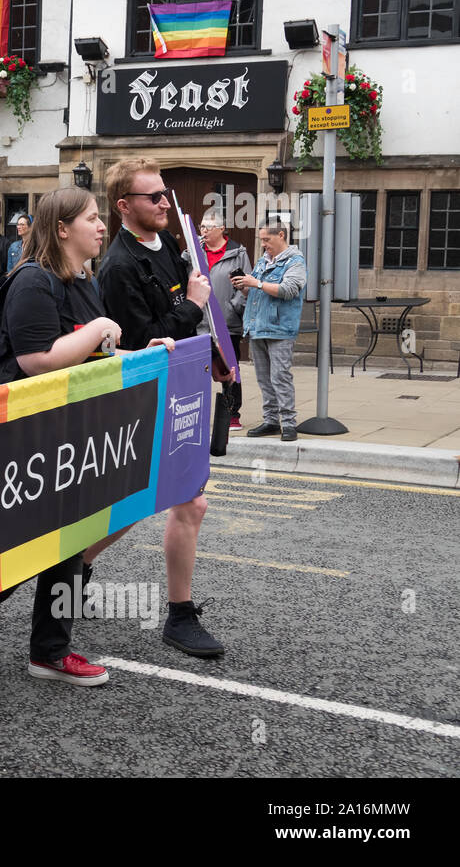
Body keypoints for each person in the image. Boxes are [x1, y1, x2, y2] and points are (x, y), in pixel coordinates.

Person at [0, 187, 176, 681]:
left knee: (71, 538)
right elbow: (36, 361)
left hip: (72, 428)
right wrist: (95, 332)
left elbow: (93, 357)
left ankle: (48, 652)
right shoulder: (33, 281)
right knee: (36, 541)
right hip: (27, 432)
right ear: (62, 228)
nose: (101, 227)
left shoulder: (82, 281)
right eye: (92, 219)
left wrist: (138, 353)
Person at [94, 156, 223, 658]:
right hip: (143, 396)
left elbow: (182, 324)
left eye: (165, 193)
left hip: (184, 385)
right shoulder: (118, 266)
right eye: (154, 196)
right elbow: (144, 342)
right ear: (124, 206)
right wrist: (192, 303)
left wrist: (215, 355)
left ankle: (180, 615)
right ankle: (65, 571)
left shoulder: (169, 243)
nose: (165, 202)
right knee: (129, 504)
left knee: (190, 499)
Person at [237, 220, 307, 443]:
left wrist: (256, 283)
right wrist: (244, 287)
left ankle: (288, 423)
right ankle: (270, 421)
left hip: (279, 329)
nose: (264, 244)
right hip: (257, 326)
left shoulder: (295, 261)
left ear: (282, 235)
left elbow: (288, 290)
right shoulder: (262, 261)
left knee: (280, 377)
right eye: (261, 240)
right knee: (264, 379)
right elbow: (256, 294)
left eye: (267, 239)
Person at [199, 209, 251, 430]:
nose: (203, 231)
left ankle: (232, 415)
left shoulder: (238, 252)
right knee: (199, 371)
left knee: (230, 369)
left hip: (227, 323)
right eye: (201, 227)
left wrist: (233, 307)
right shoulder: (193, 252)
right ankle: (197, 414)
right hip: (199, 324)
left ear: (221, 229)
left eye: (208, 227)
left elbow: (245, 284)